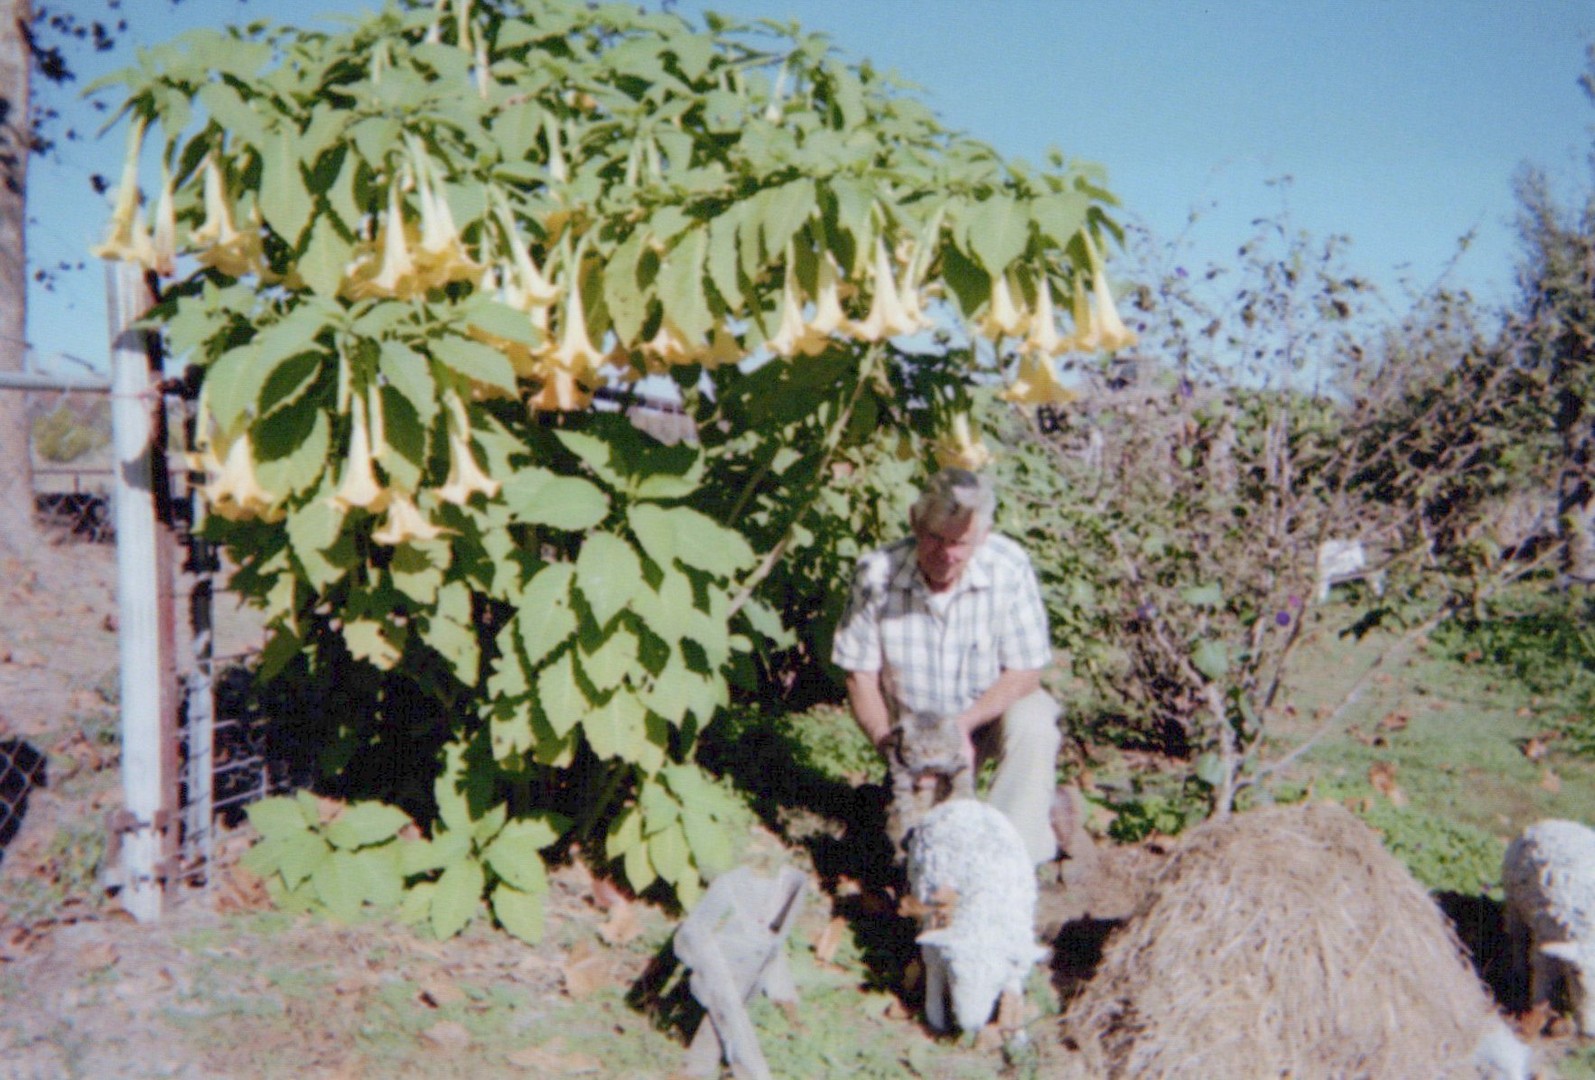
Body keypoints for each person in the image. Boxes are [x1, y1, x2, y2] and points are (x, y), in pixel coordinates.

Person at [831, 467, 1061, 865]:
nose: (946, 554)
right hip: (916, 736)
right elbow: (859, 676)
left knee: (1036, 721)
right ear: (914, 522)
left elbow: (1027, 671)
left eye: (960, 543)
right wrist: (890, 746)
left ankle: (1010, 863)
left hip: (985, 718)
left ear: (983, 536)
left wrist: (963, 726)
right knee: (917, 848)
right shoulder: (877, 574)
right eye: (935, 538)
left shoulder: (1008, 566)